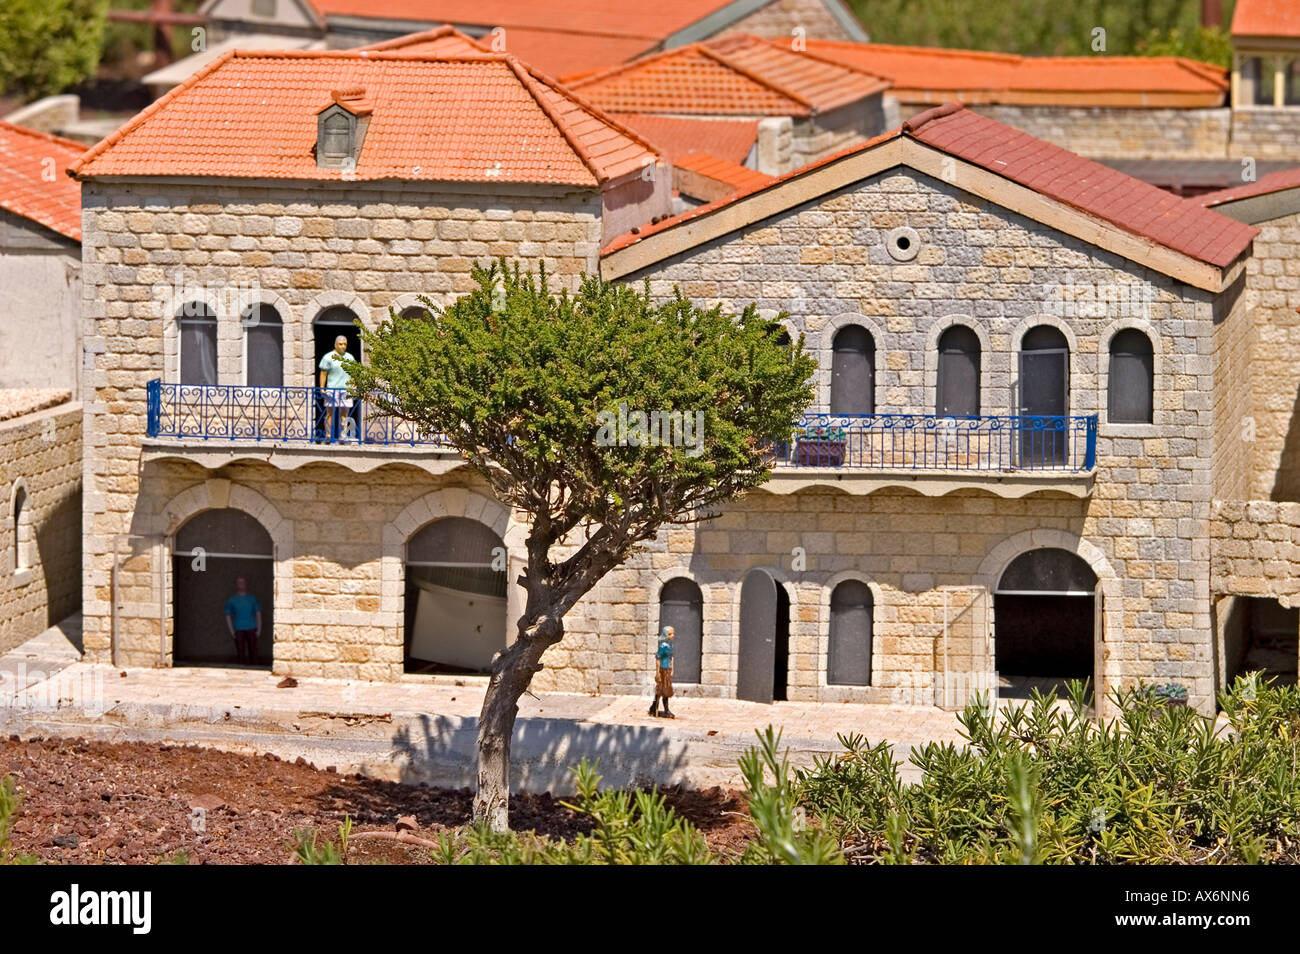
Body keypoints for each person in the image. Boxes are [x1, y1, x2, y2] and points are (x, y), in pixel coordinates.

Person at [317, 335, 359, 442]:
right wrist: (322, 388)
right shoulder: (328, 357)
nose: (343, 347)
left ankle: (343, 435)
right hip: (332, 389)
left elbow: (353, 373)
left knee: (344, 414)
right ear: (335, 344)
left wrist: (354, 385)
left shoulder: (349, 357)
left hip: (346, 390)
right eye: (340, 344)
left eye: (345, 344)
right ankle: (328, 435)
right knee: (329, 413)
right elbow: (323, 373)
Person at [224, 575, 262, 665]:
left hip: (252, 628)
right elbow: (228, 615)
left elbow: (258, 614)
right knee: (240, 654)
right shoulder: (232, 600)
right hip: (238, 629)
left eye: (243, 582)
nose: (241, 584)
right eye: (239, 582)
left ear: (246, 584)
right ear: (236, 584)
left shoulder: (252, 598)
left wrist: (259, 630)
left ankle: (255, 672)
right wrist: (232, 631)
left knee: (253, 653)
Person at [649, 625, 675, 718]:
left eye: (673, 633)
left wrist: (672, 668)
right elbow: (658, 659)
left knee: (664, 690)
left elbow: (672, 657)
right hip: (662, 670)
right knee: (662, 690)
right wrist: (657, 672)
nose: (672, 635)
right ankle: (663, 709)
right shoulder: (663, 647)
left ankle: (654, 708)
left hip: (667, 670)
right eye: (670, 634)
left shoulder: (671, 645)